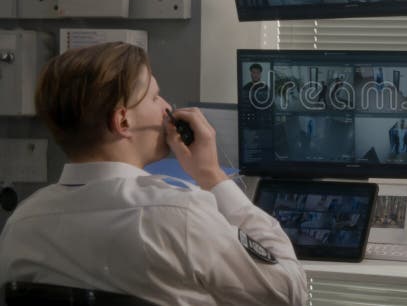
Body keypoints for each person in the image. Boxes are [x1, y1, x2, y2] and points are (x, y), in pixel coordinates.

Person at [0, 43, 307, 306]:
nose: (167, 108)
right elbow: (288, 291)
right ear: (123, 121)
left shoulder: (20, 227)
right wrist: (212, 176)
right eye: (154, 97)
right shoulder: (179, 216)